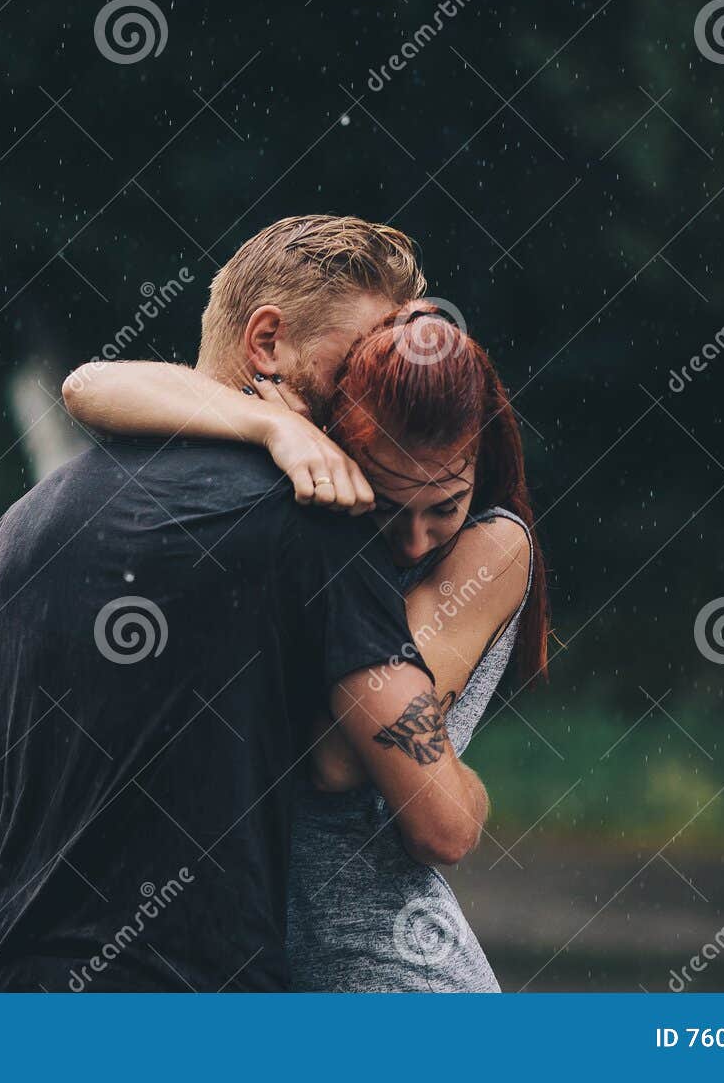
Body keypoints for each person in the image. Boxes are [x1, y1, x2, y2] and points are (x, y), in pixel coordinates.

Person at [0, 215, 491, 991]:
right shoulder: (321, 525)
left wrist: (92, 904)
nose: (374, 388)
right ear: (267, 342)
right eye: (358, 361)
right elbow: (440, 820)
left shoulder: (25, 521)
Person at [62, 301, 549, 990]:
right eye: (388, 507)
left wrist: (466, 794)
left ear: (481, 457)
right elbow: (89, 386)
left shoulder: (493, 547)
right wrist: (274, 426)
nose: (413, 541)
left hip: (393, 979)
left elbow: (339, 759)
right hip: (261, 971)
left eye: (445, 504)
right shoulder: (310, 498)